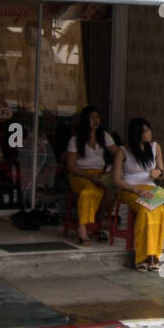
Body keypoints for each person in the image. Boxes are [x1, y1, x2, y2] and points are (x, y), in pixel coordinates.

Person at [112, 117, 164, 271]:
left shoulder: (155, 147)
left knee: (160, 211)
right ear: (137, 135)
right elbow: (116, 179)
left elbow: (163, 173)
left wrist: (158, 173)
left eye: (149, 130)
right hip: (130, 189)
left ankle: (153, 256)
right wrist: (135, 189)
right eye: (145, 131)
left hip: (150, 188)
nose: (149, 134)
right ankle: (141, 257)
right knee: (145, 211)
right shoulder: (122, 151)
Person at [64, 105, 119, 244]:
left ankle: (100, 217)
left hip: (100, 174)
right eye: (92, 118)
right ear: (85, 120)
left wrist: (110, 172)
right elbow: (70, 166)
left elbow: (120, 154)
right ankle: (82, 230)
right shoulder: (75, 140)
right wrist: (90, 177)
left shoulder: (104, 136)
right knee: (90, 191)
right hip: (80, 175)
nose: (96, 121)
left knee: (114, 189)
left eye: (98, 118)